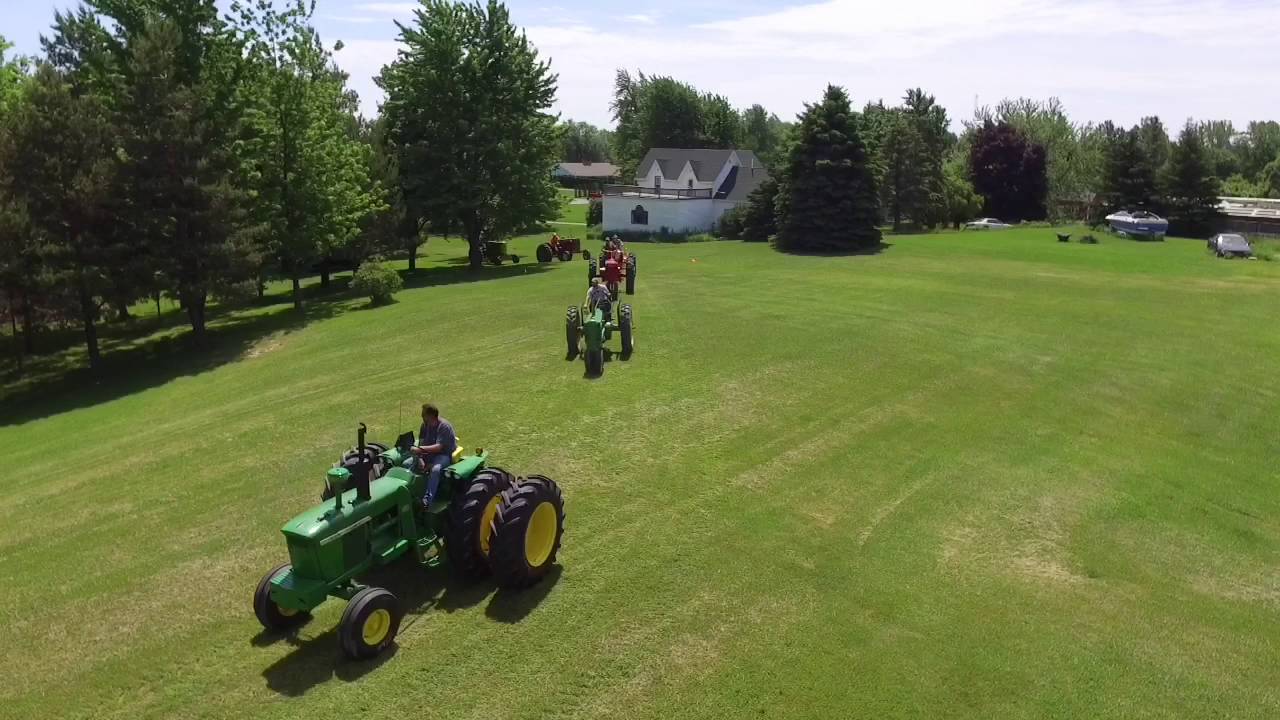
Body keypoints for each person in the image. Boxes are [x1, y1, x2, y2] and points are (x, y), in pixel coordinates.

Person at [412, 403, 457, 506]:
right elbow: (421, 442)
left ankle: (427, 500)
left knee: (435, 470)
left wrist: (420, 450)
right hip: (427, 453)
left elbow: (439, 447)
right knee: (407, 463)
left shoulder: (444, 426)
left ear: (431, 416)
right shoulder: (424, 426)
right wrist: (420, 459)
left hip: (444, 455)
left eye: (423, 414)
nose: (421, 416)